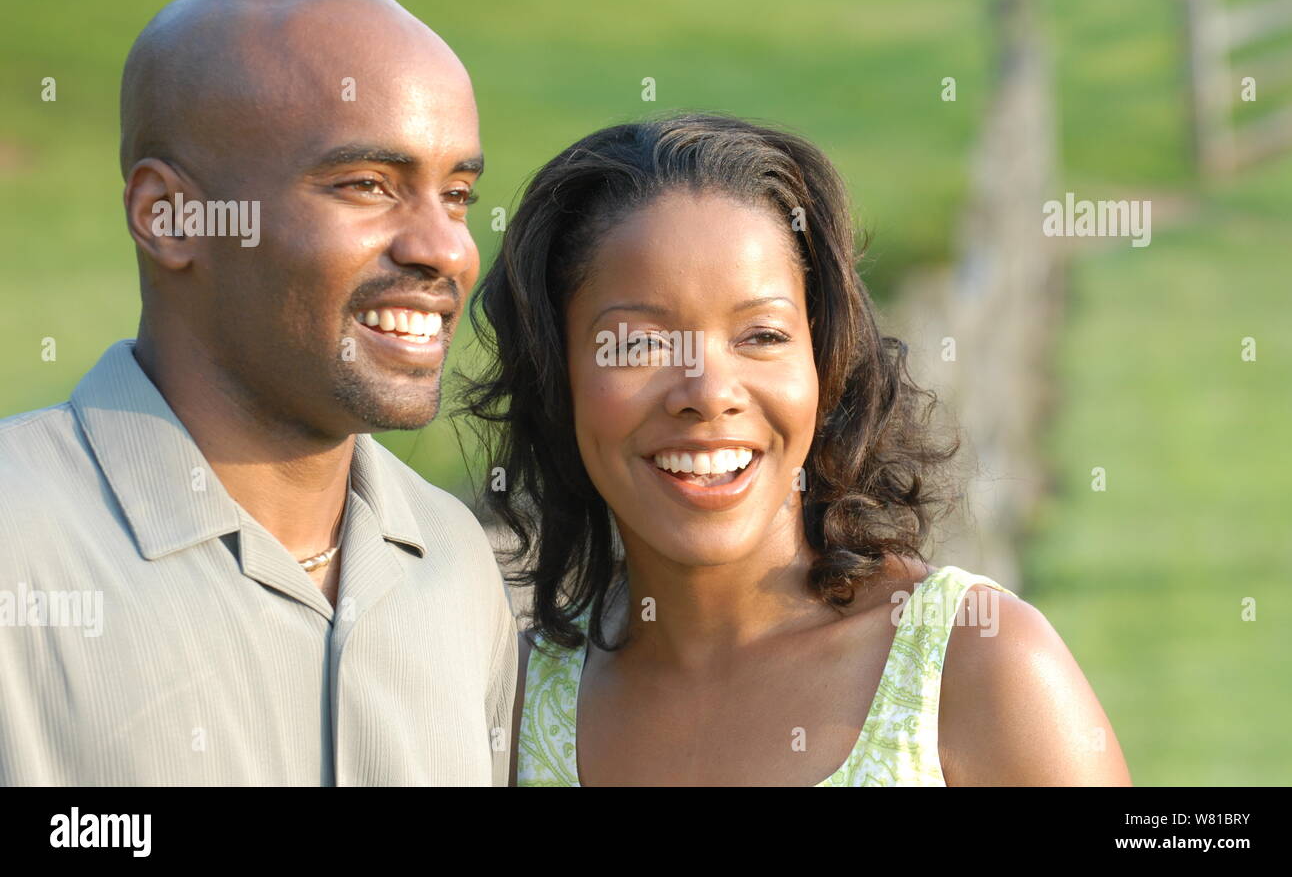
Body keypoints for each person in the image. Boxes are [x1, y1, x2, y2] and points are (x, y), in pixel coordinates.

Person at [463, 113, 1132, 786]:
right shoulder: (514, 710)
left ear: (825, 365)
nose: (709, 392)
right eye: (639, 343)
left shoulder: (975, 667)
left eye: (761, 335)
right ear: (558, 376)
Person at [0, 0, 516, 785]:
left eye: (456, 195)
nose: (447, 249)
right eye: (368, 186)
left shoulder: (455, 564)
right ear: (169, 217)